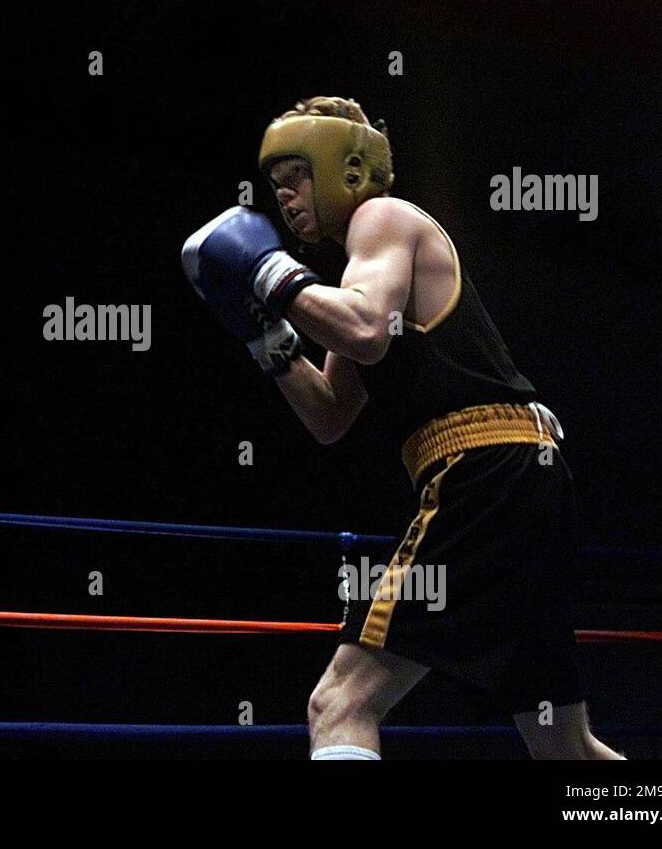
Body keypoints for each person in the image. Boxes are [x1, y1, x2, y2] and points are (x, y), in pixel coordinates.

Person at [181, 96, 622, 759]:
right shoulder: (356, 274)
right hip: (526, 480)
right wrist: (263, 337)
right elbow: (331, 412)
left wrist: (268, 273)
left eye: (297, 174)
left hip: (483, 474)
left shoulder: (382, 219)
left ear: (343, 167)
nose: (284, 195)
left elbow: (363, 332)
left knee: (340, 703)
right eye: (276, 184)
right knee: (566, 747)